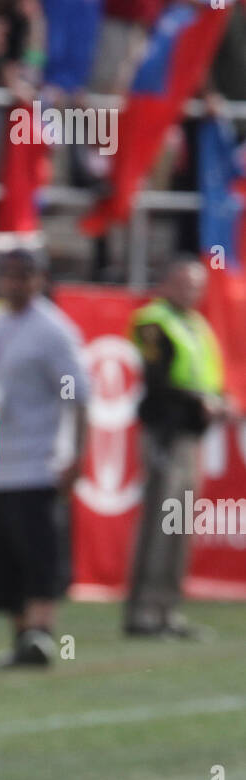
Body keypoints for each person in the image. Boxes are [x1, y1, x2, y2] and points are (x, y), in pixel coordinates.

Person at [0, 247, 90, 668]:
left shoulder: (53, 330)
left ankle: (41, 632)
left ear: (39, 279)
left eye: (24, 276)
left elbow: (78, 394)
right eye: (9, 275)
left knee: (40, 550)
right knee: (4, 554)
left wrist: (75, 454)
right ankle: (21, 638)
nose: (15, 284)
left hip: (39, 460)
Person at [124, 257, 232, 639]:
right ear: (167, 283)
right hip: (165, 434)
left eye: (197, 285)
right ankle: (144, 613)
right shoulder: (154, 320)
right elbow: (158, 378)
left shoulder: (196, 324)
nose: (193, 292)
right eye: (185, 283)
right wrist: (200, 400)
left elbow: (206, 375)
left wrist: (218, 399)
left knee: (180, 523)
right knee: (160, 522)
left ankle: (168, 609)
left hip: (191, 436)